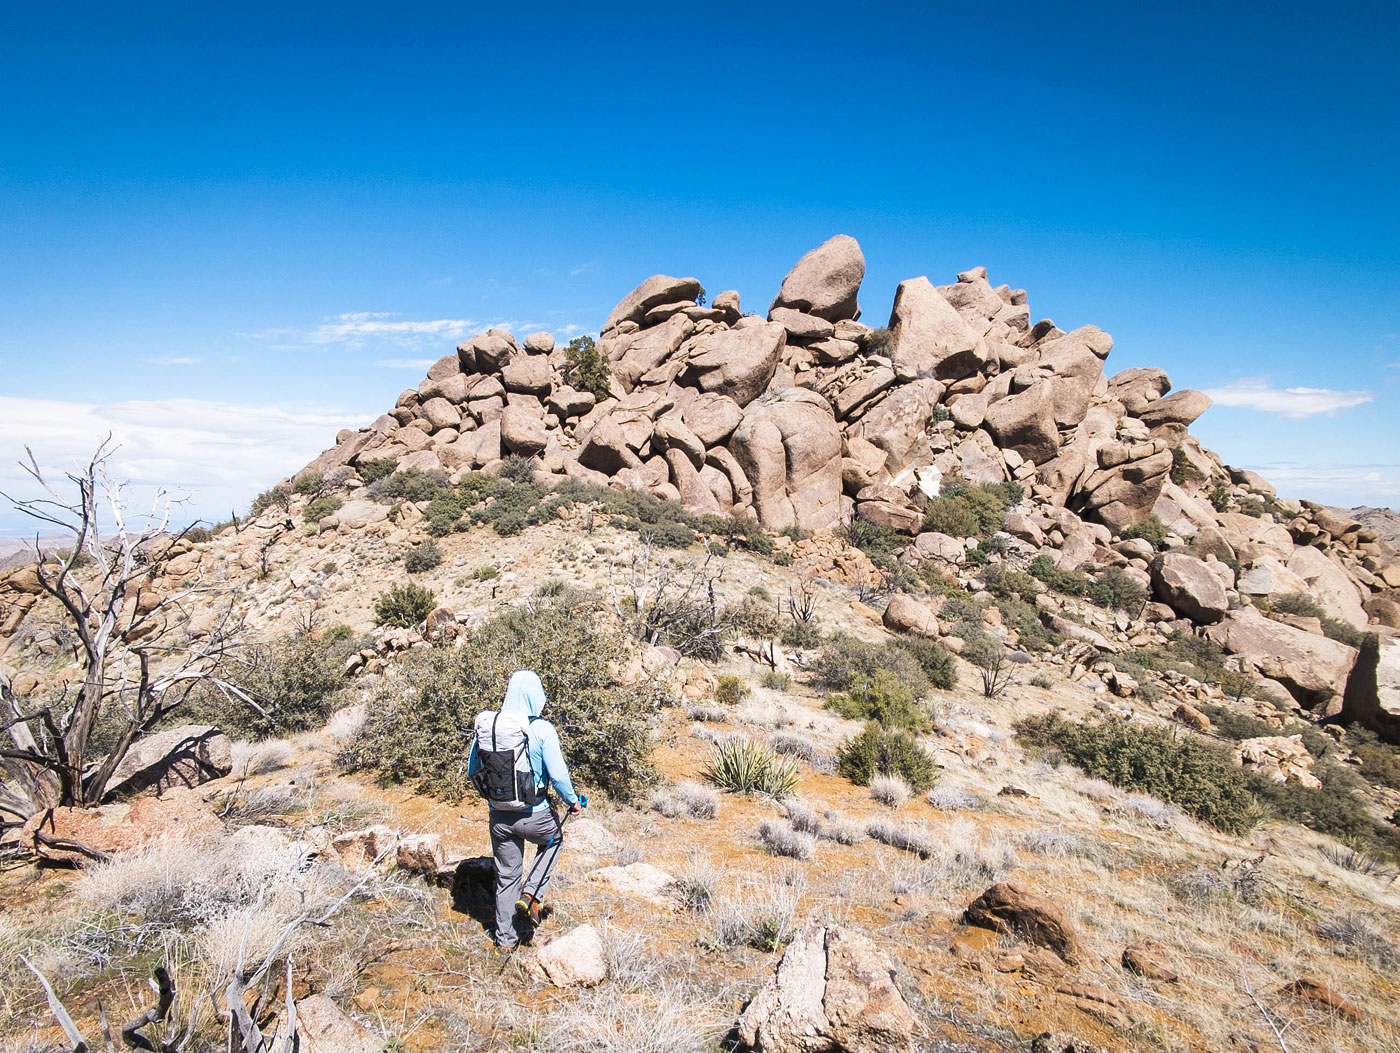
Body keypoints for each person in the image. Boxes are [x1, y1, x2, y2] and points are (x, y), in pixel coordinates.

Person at [466, 669, 582, 953]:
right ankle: (531, 895)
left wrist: (495, 801)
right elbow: (559, 776)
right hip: (535, 814)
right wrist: (572, 801)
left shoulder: (490, 728)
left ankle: (505, 941)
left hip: (499, 817)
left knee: (507, 874)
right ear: (536, 695)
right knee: (554, 841)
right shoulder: (542, 729)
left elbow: (473, 771)